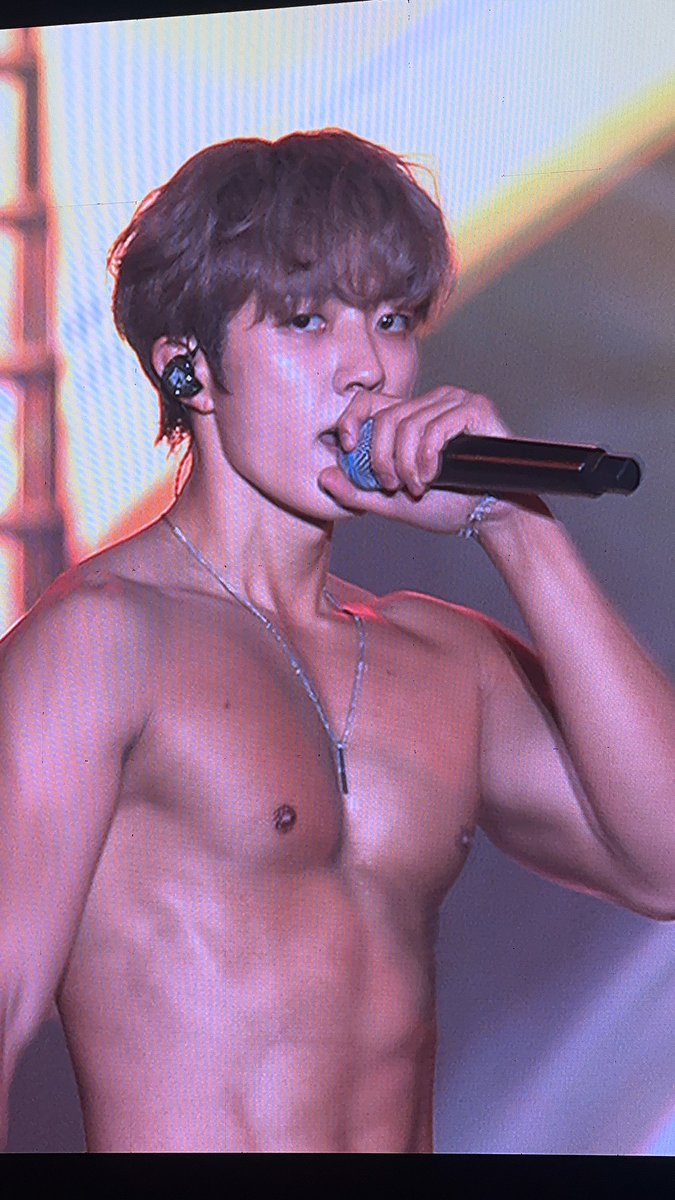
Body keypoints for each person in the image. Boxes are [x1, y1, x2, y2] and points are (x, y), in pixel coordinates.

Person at [1, 129, 673, 1154]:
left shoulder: (448, 660)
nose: (367, 368)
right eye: (307, 320)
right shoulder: (99, 644)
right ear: (189, 370)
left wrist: (517, 528)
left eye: (391, 319)